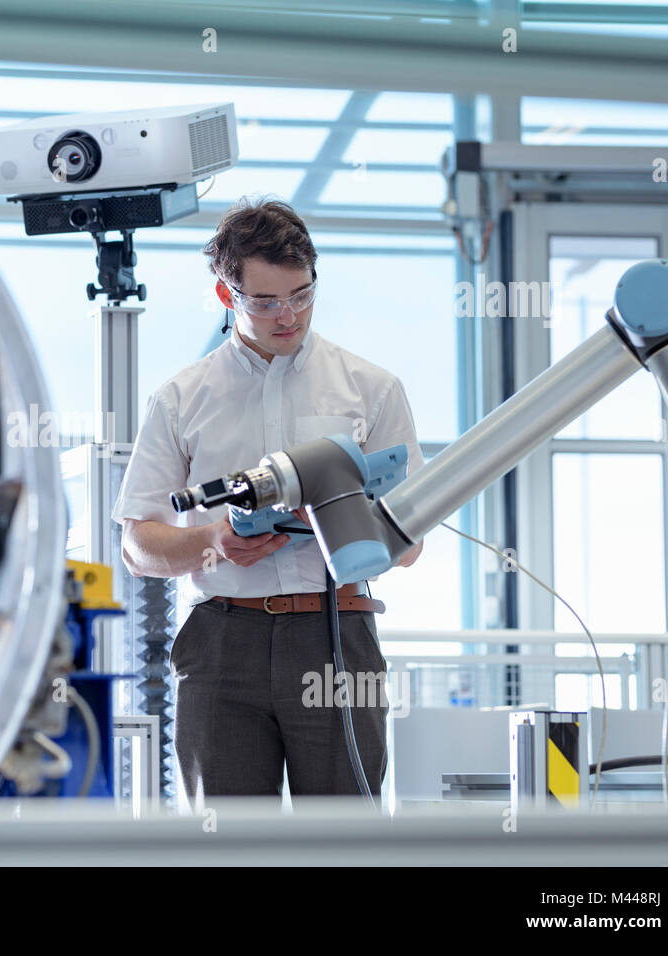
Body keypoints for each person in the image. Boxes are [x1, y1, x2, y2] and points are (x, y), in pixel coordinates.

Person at [112, 196, 424, 806]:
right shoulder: (181, 399)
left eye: (303, 294)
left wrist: (339, 518)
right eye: (267, 300)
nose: (289, 315)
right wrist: (210, 541)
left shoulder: (372, 389)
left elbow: (410, 547)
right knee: (226, 840)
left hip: (338, 634)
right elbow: (136, 545)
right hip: (223, 643)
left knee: (342, 841)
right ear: (227, 296)